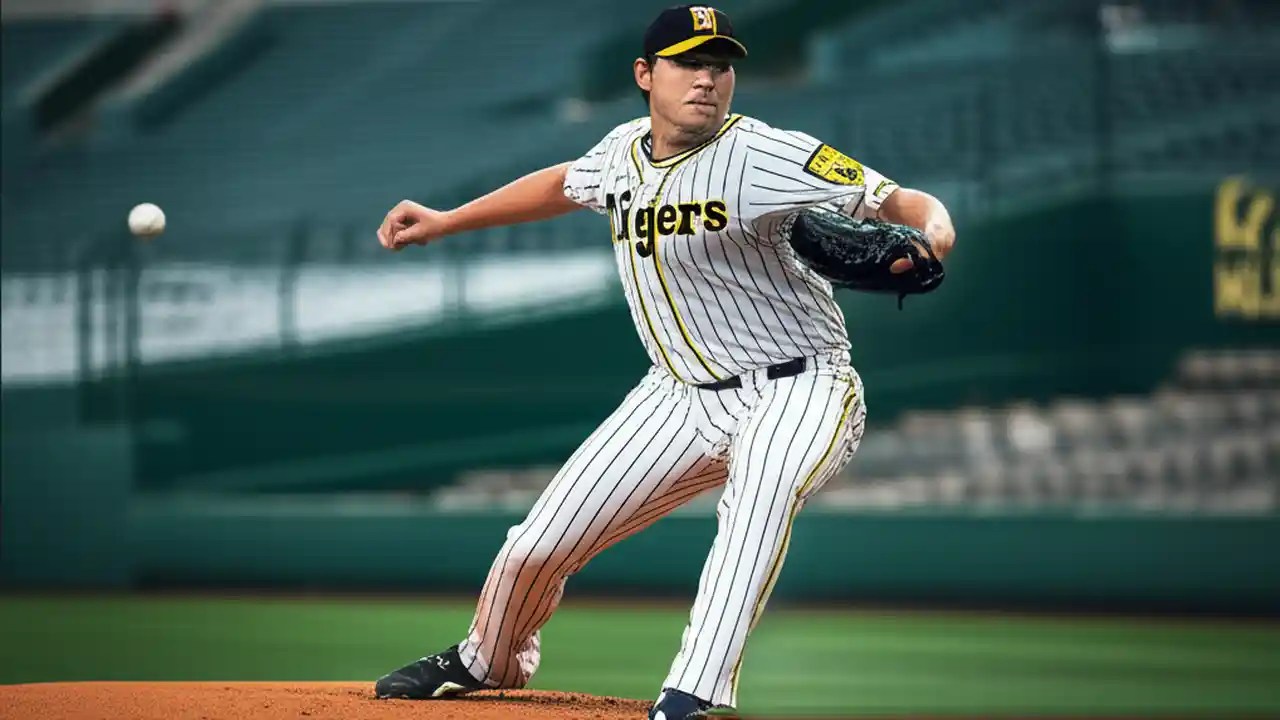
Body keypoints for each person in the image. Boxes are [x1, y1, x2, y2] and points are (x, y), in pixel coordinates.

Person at [373, 5, 955, 719]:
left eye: (720, 65)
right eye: (689, 63)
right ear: (646, 75)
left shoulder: (767, 153)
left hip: (801, 385)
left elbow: (899, 199)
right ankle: (487, 657)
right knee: (534, 549)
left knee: (758, 503)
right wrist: (446, 219)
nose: (707, 79)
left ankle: (694, 695)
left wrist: (934, 231)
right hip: (676, 395)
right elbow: (564, 183)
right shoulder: (621, 152)